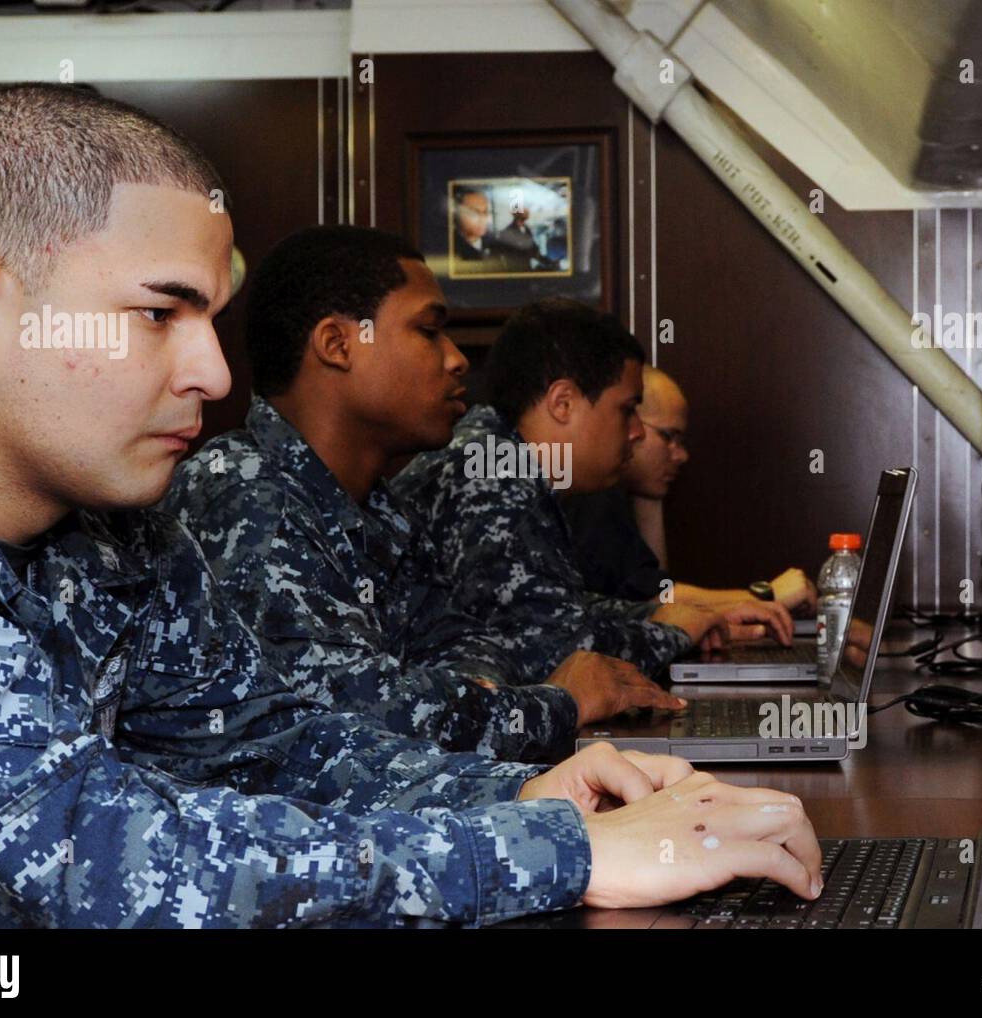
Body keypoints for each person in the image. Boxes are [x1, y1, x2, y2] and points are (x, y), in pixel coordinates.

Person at [0, 83, 821, 928]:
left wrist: (533, 793)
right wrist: (555, 855)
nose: (211, 370)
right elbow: (94, 861)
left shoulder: (110, 521)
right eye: (160, 314)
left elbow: (268, 745)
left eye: (209, 318)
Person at [164, 226, 684, 764]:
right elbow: (359, 729)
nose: (457, 359)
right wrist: (555, 705)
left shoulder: (376, 508)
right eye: (429, 330)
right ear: (339, 344)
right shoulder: (246, 496)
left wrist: (474, 699)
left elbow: (466, 643)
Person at [393, 298, 793, 684]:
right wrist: (678, 632)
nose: (636, 431)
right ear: (563, 403)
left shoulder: (499, 453)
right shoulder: (495, 476)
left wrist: (664, 614)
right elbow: (553, 650)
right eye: (626, 409)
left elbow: (557, 609)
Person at [561, 365, 817, 614]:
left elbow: (655, 587)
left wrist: (651, 497)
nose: (681, 455)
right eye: (669, 436)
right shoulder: (590, 493)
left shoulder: (621, 493)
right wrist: (766, 595)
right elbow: (656, 601)